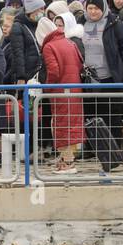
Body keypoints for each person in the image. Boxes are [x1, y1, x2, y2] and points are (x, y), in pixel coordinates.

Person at [41, 10, 84, 174]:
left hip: (60, 91)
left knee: (60, 126)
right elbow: (80, 65)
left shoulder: (49, 47)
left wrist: (47, 88)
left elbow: (53, 71)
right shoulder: (71, 43)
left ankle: (68, 163)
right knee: (71, 125)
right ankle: (67, 159)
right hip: (75, 89)